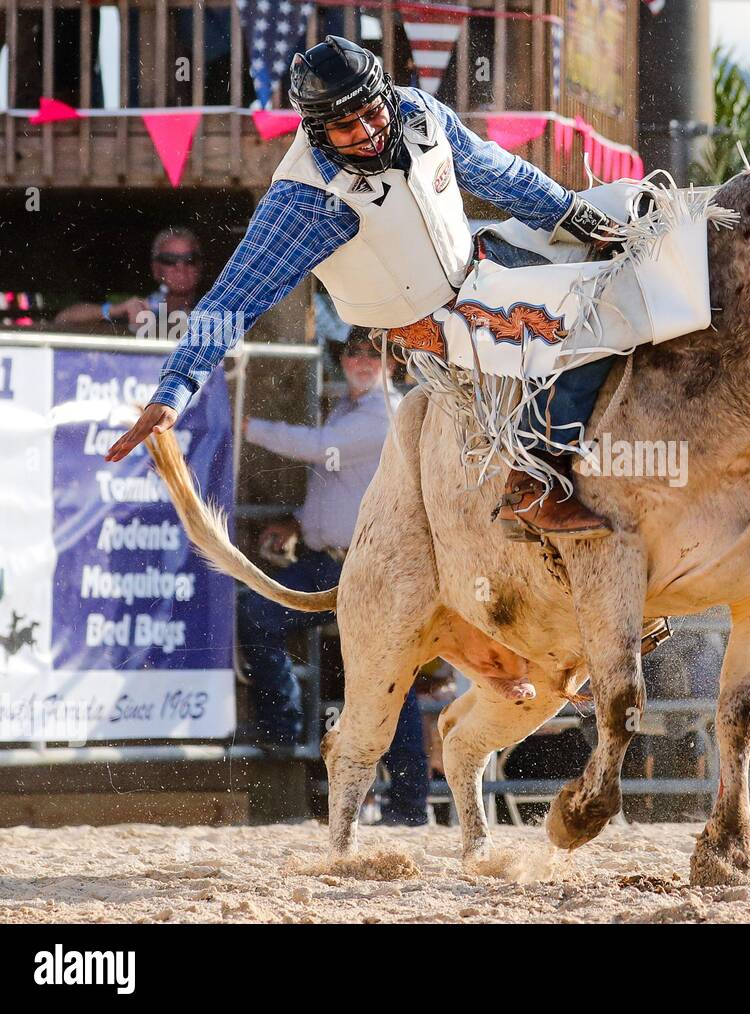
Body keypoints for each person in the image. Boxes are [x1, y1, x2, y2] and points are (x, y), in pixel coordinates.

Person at [105, 35, 625, 542]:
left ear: (385, 94)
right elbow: (235, 296)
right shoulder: (303, 201)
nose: (367, 132)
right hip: (424, 321)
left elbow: (497, 173)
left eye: (372, 113)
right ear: (316, 130)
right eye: (344, 127)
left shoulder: (420, 112)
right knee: (581, 331)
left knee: (609, 274)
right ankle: (535, 481)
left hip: (480, 264)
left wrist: (572, 211)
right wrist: (176, 387)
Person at [239, 328, 429, 824]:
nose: (363, 360)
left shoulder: (384, 412)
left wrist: (246, 427)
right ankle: (288, 733)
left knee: (387, 677)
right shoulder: (353, 409)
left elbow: (320, 448)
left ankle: (406, 803)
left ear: (391, 365)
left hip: (369, 567)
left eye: (374, 353)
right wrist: (299, 524)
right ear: (343, 360)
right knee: (381, 675)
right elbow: (340, 482)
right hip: (339, 561)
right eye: (355, 352)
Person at [55, 228, 204, 335]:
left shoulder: (216, 307)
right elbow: (63, 319)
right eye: (169, 260)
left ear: (199, 266)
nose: (180, 267)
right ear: (156, 269)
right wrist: (115, 310)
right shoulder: (139, 305)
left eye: (189, 259)